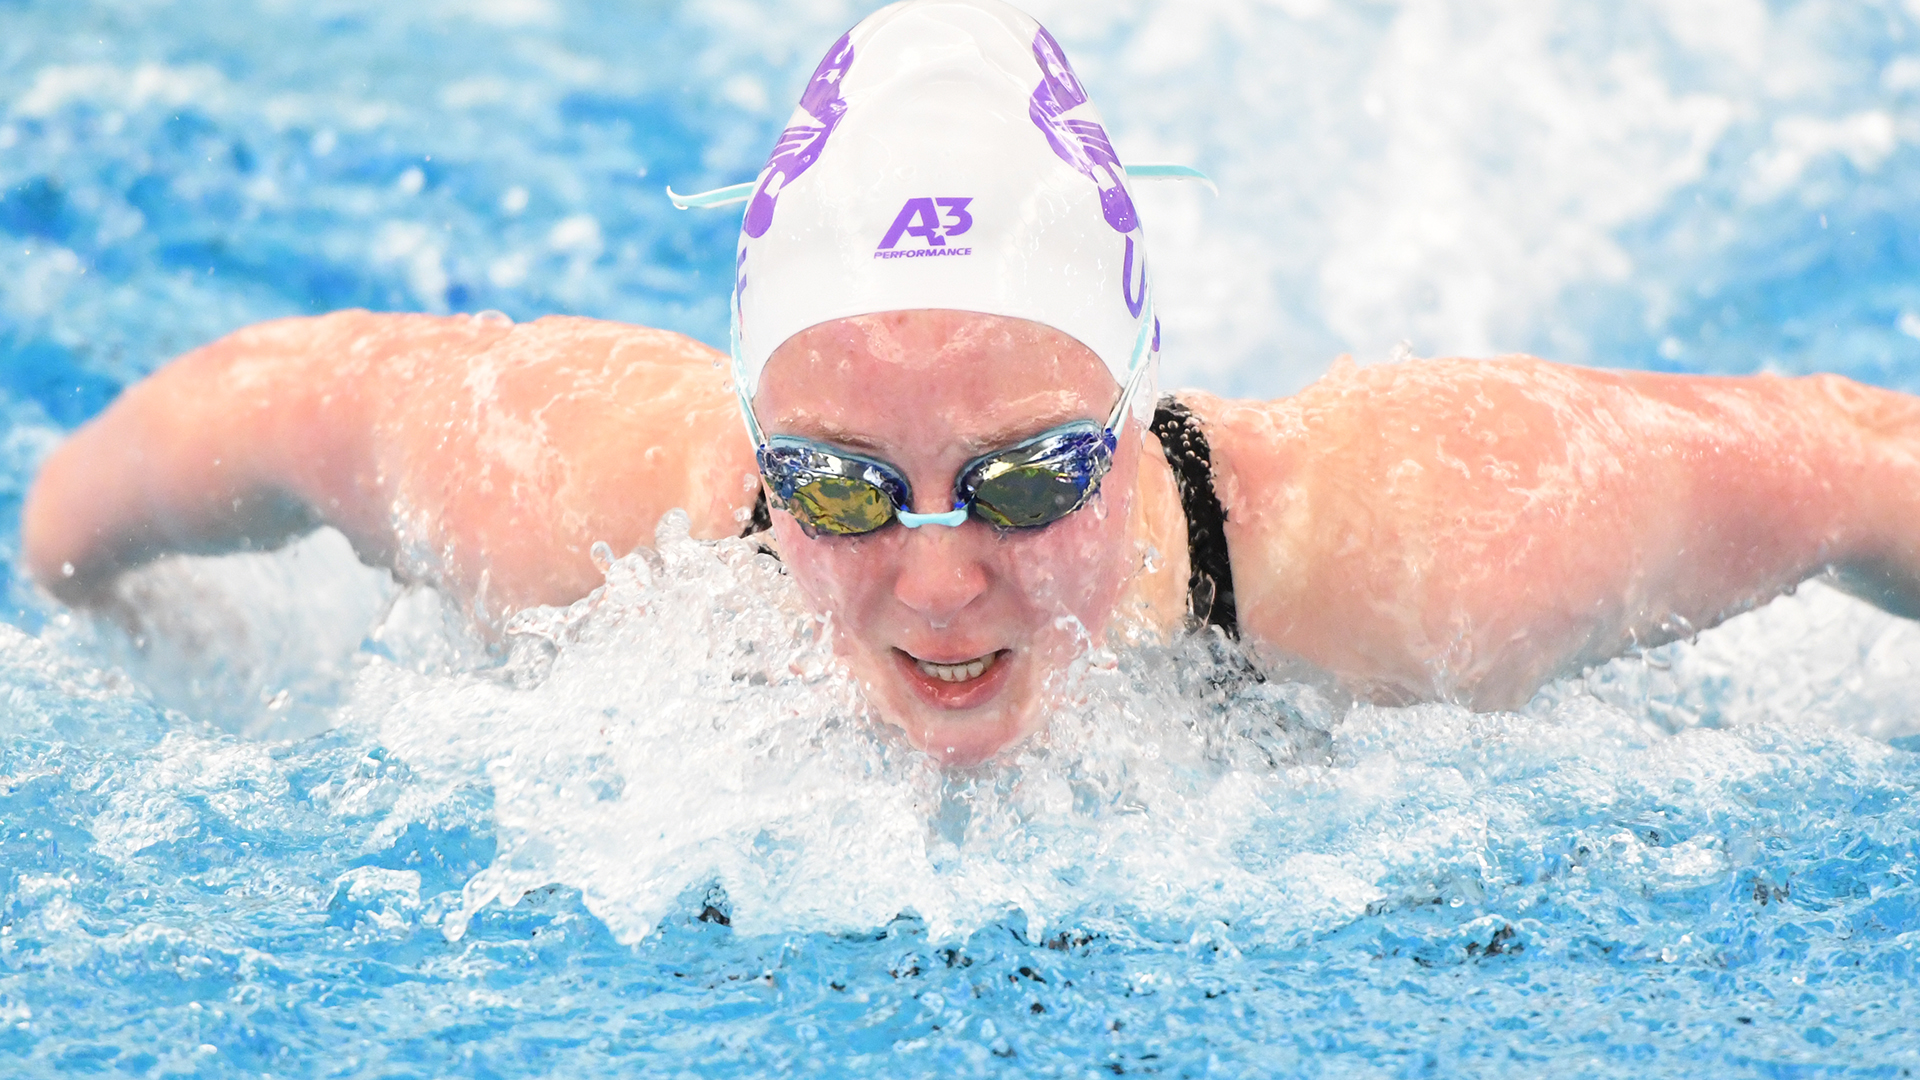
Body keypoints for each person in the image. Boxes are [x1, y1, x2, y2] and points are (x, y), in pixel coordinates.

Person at [21, 0, 1920, 765]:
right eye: (840, 487)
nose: (939, 580)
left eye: (1026, 483)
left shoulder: (1426, 551)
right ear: (757, 446)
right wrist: (98, 602)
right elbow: (240, 421)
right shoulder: (590, 504)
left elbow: (1855, 464)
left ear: (1135, 425)